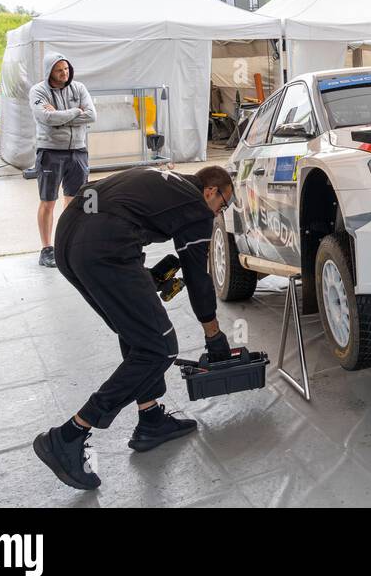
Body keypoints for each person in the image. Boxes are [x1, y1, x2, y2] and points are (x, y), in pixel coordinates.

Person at [32, 165, 236, 491]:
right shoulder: (198, 208)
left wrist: (142, 277)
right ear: (211, 191)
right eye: (223, 203)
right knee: (161, 347)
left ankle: (150, 417)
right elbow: (199, 278)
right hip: (103, 243)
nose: (219, 212)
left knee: (137, 335)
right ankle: (69, 434)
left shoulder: (167, 180)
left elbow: (109, 202)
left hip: (71, 236)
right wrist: (214, 335)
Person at [30, 53, 96, 268]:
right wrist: (77, 112)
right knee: (48, 201)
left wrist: (62, 114)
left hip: (78, 151)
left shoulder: (79, 88)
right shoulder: (38, 91)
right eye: (59, 70)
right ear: (50, 71)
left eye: (66, 69)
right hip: (50, 152)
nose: (64, 74)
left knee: (77, 201)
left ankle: (72, 243)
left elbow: (92, 116)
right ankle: (46, 249)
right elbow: (46, 118)